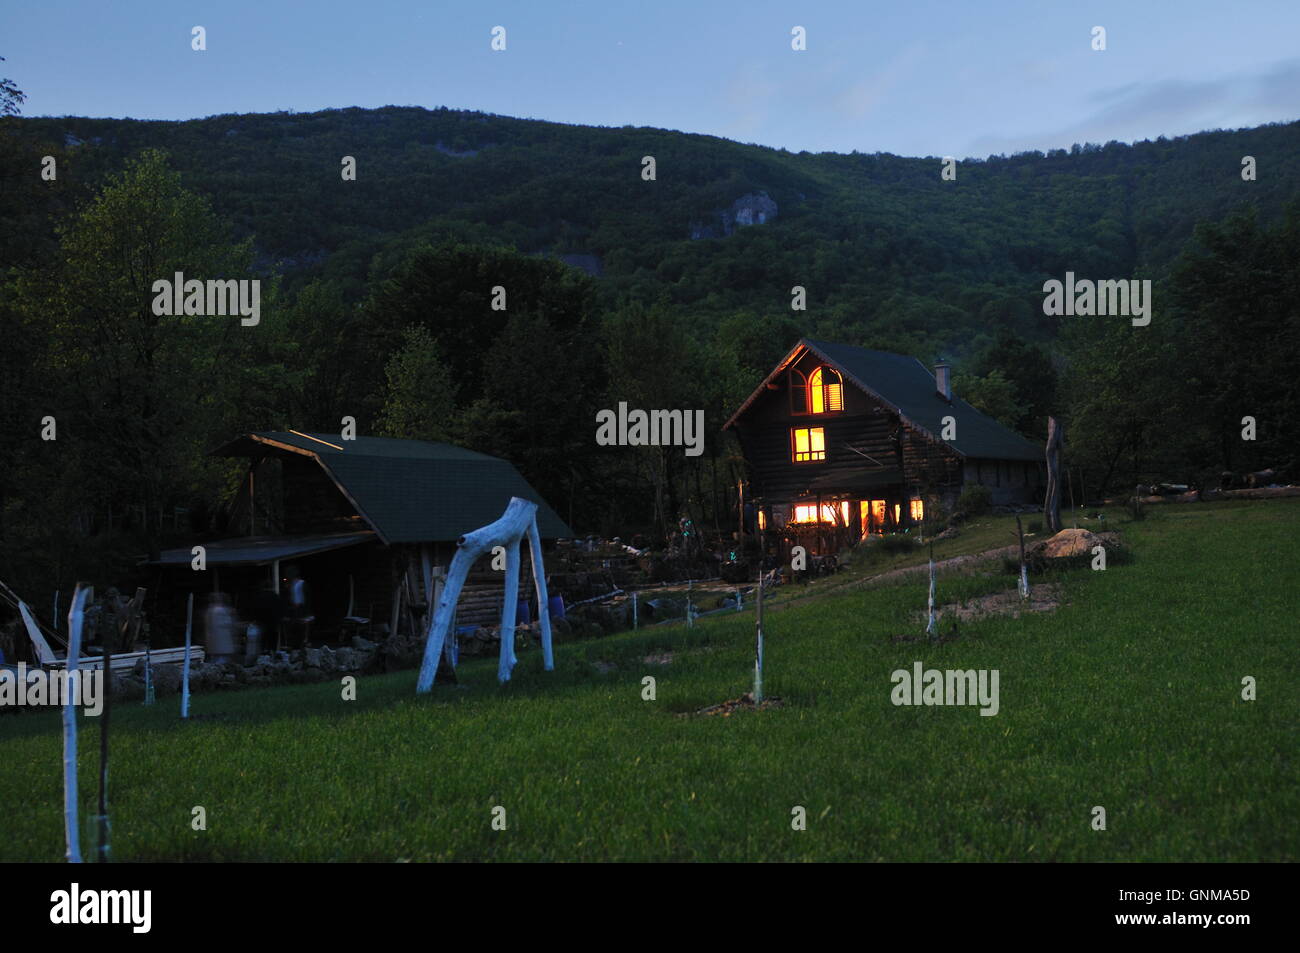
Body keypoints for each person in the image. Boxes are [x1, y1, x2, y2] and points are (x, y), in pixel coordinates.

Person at [283, 565, 315, 650]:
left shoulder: (302, 583)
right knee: (294, 626)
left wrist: (306, 609)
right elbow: (289, 596)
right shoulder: (290, 584)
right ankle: (296, 644)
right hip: (294, 608)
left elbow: (307, 597)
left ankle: (304, 642)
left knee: (302, 626)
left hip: (301, 607)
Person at [205, 593, 238, 663]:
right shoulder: (220, 610)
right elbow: (227, 623)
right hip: (222, 641)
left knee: (217, 659)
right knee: (222, 661)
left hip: (215, 641)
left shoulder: (210, 610)